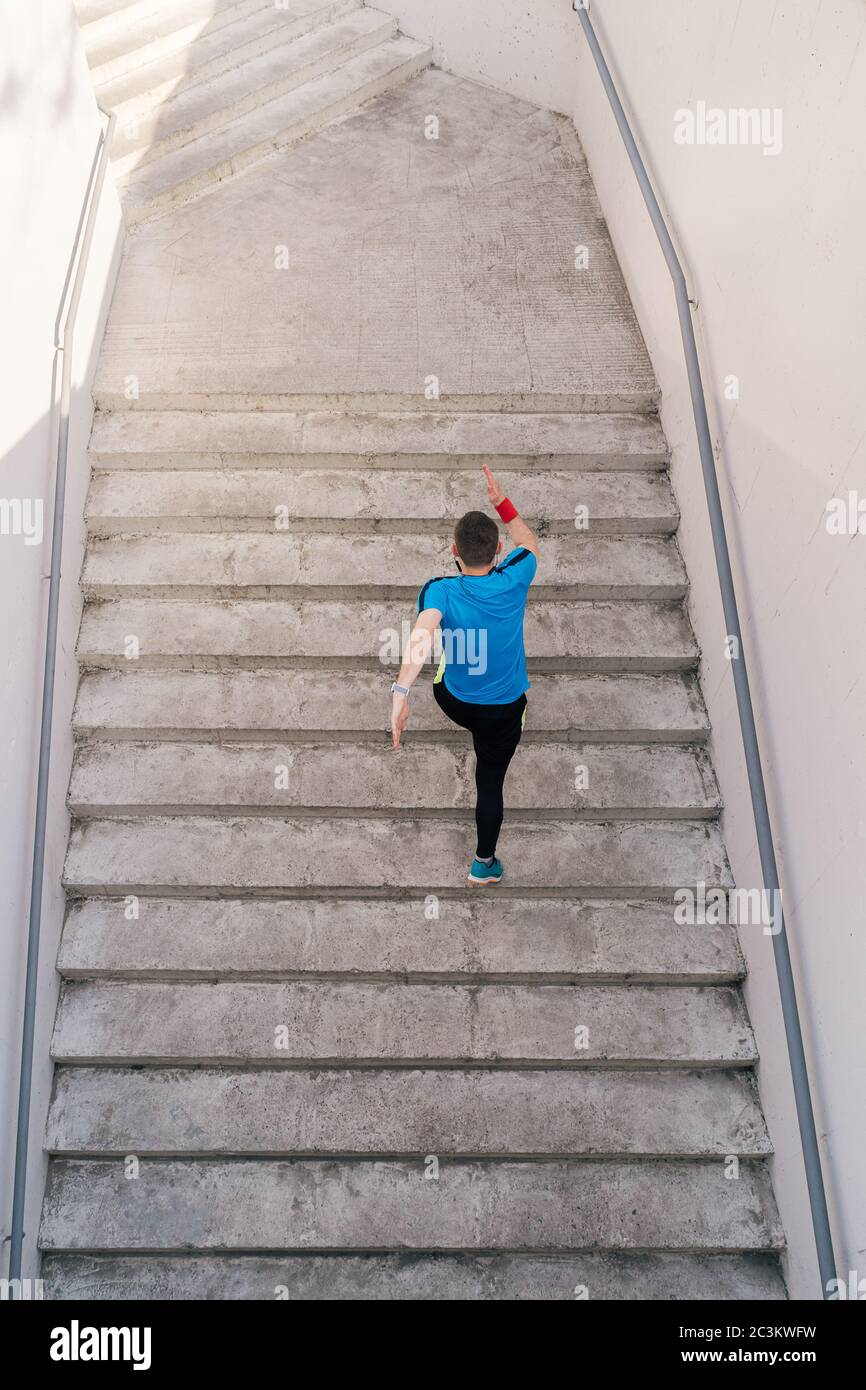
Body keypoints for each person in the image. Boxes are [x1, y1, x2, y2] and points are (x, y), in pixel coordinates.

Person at [389, 465, 540, 884]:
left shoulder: (439, 588)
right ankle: (483, 865)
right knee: (490, 784)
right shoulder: (517, 574)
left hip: (454, 700)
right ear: (497, 554)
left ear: (453, 551)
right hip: (506, 709)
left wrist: (400, 692)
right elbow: (528, 541)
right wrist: (502, 504)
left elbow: (421, 636)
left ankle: (461, 684)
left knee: (446, 663)